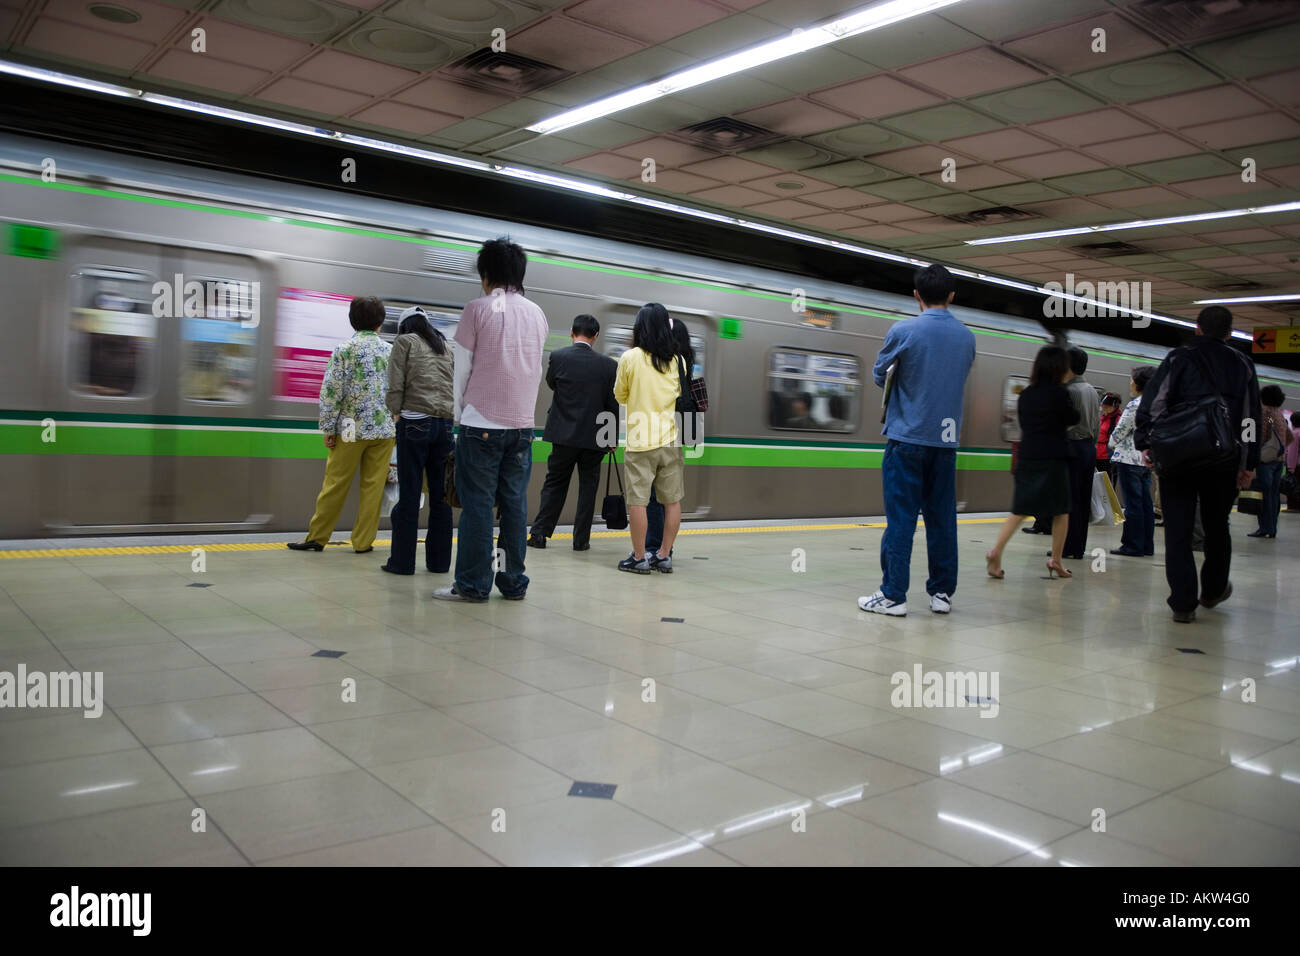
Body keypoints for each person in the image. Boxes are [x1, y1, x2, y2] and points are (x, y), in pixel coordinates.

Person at [433, 237, 548, 603]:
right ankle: (512, 582)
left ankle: (472, 584)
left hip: (480, 423)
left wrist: (458, 416)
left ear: (486, 275)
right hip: (522, 428)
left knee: (478, 506)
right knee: (514, 505)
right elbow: (535, 369)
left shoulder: (477, 309)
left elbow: (461, 371)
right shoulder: (536, 313)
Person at [859, 264, 976, 616]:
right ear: (952, 296)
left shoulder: (903, 330)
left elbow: (880, 376)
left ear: (916, 295)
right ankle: (941, 593)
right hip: (946, 442)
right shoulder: (967, 337)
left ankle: (893, 594)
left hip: (906, 438)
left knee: (902, 519)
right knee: (942, 519)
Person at [1135, 306, 1260, 623]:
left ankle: (1182, 603)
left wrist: (1147, 443)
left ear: (1197, 328)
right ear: (1229, 333)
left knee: (1178, 528)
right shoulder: (1242, 363)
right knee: (1218, 527)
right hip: (1224, 458)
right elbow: (1249, 417)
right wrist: (1248, 462)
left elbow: (1154, 402)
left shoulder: (1179, 358)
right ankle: (1213, 590)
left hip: (1180, 455)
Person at [289, 295, 396, 553]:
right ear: (380, 323)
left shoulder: (344, 350)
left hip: (350, 428)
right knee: (373, 489)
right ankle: (363, 542)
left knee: (336, 483)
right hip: (383, 429)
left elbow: (332, 392)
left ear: (352, 321)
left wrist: (328, 427)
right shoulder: (390, 351)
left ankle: (317, 538)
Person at [984, 346, 1077, 580]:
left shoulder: (1026, 394)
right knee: (1061, 511)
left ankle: (996, 552)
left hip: (1027, 455)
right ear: (1060, 368)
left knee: (1019, 509)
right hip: (1053, 458)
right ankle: (1056, 560)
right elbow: (1073, 418)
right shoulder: (1060, 393)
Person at [527, 314, 618, 552]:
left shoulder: (558, 357)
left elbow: (552, 383)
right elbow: (612, 404)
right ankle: (581, 541)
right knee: (588, 488)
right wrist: (610, 437)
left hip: (563, 434)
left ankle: (539, 534)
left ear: (571, 332)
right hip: (594, 437)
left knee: (555, 484)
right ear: (595, 336)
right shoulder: (609, 365)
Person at [382, 306, 454, 575]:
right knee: (441, 497)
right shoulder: (444, 345)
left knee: (410, 495)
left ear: (404, 327)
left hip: (414, 423)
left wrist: (395, 411)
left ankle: (402, 562)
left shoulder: (404, 342)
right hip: (445, 425)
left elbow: (395, 382)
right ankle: (439, 563)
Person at [614, 303, 684, 574]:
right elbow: (678, 395)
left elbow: (620, 395)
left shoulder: (630, 357)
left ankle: (640, 557)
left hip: (640, 441)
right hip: (670, 441)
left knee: (638, 502)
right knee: (672, 501)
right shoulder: (678, 361)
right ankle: (664, 555)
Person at [646, 319, 704, 564]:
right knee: (670, 498)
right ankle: (666, 551)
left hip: (656, 435)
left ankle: (653, 547)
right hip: (678, 438)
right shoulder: (692, 367)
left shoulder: (663, 364)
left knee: (651, 497)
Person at [1108, 367, 1156, 557]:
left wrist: (1110, 445)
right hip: (1145, 460)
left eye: (1132, 380)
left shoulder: (1136, 404)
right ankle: (1146, 545)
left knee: (1133, 505)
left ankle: (1132, 545)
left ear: (1139, 383)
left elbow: (1120, 431)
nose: (1130, 383)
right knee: (1146, 504)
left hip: (1129, 460)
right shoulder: (1157, 404)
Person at [1062, 347, 1100, 560]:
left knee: (1069, 500)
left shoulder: (1069, 391)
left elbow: (1065, 424)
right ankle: (1077, 547)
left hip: (1072, 447)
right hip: (1088, 448)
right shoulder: (1092, 390)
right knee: (1083, 501)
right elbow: (1095, 424)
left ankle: (1066, 546)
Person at [1250, 385, 1292, 539]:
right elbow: (1289, 437)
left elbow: (1260, 436)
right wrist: (1278, 450)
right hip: (1278, 461)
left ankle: (1264, 528)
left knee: (1265, 495)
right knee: (1274, 495)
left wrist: (1259, 452)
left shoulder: (1265, 412)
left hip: (1266, 461)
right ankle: (1272, 528)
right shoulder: (1279, 414)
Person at [1097, 393, 1121, 477]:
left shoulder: (1117, 419)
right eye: (1103, 405)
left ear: (1114, 406)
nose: (1103, 407)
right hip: (1097, 453)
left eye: (1107, 406)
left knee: (1106, 482)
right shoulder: (1103, 416)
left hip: (1107, 456)